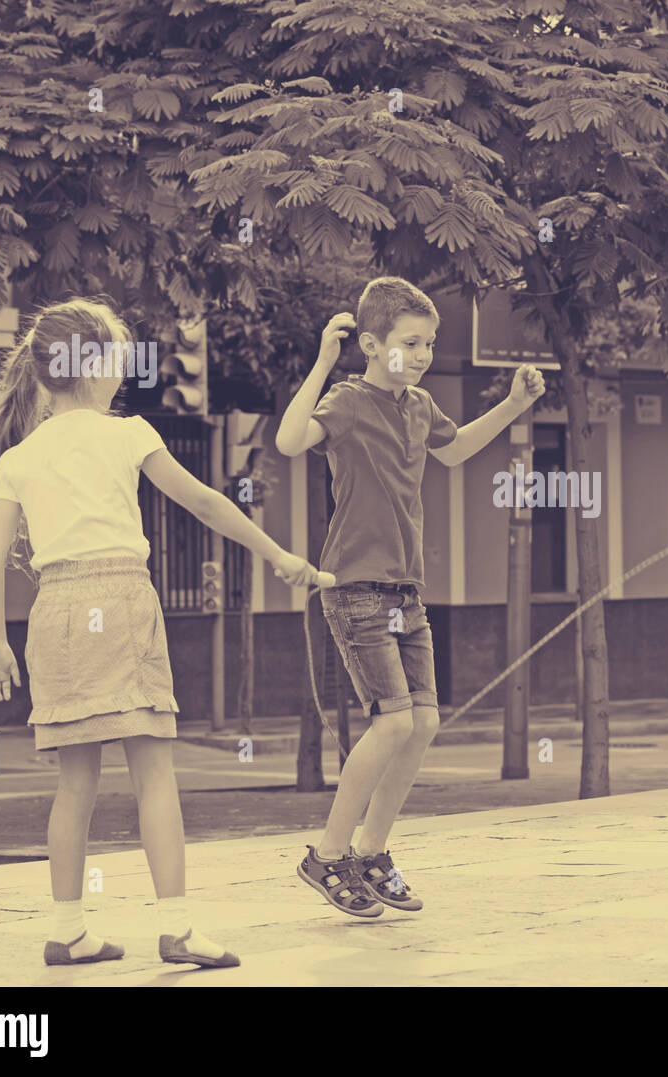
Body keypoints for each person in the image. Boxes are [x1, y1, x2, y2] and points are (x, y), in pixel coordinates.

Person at [0, 298, 321, 966]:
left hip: (55, 611)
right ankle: (178, 927)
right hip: (121, 600)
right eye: (117, 364)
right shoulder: (129, 435)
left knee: (76, 783)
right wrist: (277, 554)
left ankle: (68, 930)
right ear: (90, 367)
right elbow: (206, 502)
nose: (122, 377)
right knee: (154, 771)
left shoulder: (21, 456)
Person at [275, 277, 544, 917]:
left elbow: (455, 454)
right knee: (392, 719)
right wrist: (319, 363)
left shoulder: (420, 406)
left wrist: (511, 406)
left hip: (405, 590)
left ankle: (372, 851)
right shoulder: (344, 400)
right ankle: (327, 856)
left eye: (429, 343)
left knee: (422, 722)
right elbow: (289, 442)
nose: (422, 354)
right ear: (371, 344)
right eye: (410, 342)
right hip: (354, 585)